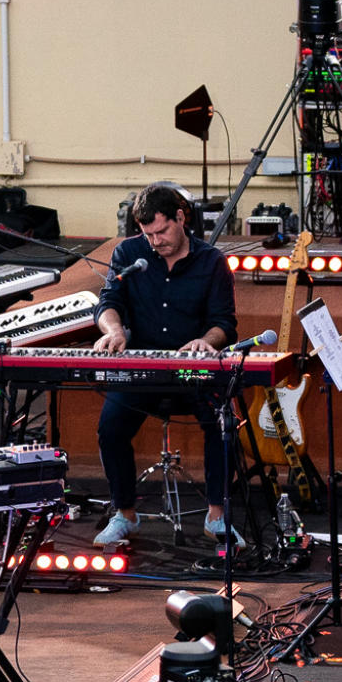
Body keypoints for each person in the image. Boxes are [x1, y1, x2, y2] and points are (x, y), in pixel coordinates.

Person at [91, 183, 240, 553]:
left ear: (180, 218)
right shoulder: (129, 253)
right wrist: (114, 331)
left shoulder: (212, 261)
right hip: (142, 366)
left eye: (162, 231)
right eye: (148, 235)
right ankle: (125, 514)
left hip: (194, 368)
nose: (156, 242)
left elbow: (224, 322)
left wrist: (207, 340)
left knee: (224, 425)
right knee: (110, 427)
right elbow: (108, 302)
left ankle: (217, 516)